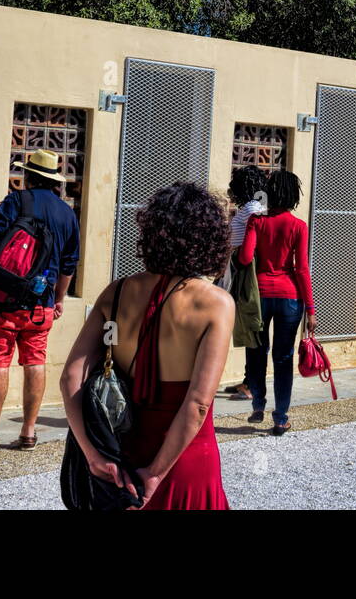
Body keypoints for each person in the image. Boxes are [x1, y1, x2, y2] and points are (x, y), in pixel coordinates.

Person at [61, 181, 234, 510]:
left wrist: (93, 455)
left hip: (123, 455)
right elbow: (197, 404)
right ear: (210, 238)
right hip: (186, 457)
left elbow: (71, 378)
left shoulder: (117, 292)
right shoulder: (215, 304)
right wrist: (155, 474)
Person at [0, 149, 79, 452]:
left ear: (28, 176)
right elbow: (69, 263)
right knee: (35, 361)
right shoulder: (67, 213)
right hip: (41, 302)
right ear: (55, 180)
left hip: (3, 299)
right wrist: (58, 299)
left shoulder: (17, 201)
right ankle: (28, 433)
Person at [238, 169, 315, 436]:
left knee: (257, 351)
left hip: (259, 296)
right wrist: (311, 310)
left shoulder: (256, 222)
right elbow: (302, 269)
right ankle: (281, 418)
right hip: (290, 298)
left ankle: (258, 404)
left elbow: (246, 258)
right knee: (284, 358)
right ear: (294, 195)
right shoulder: (298, 226)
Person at [221, 164, 267, 401]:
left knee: (252, 326)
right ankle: (249, 380)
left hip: (244, 269)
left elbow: (250, 246)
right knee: (249, 327)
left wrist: (237, 263)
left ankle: (252, 384)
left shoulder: (254, 210)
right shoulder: (249, 208)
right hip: (237, 266)